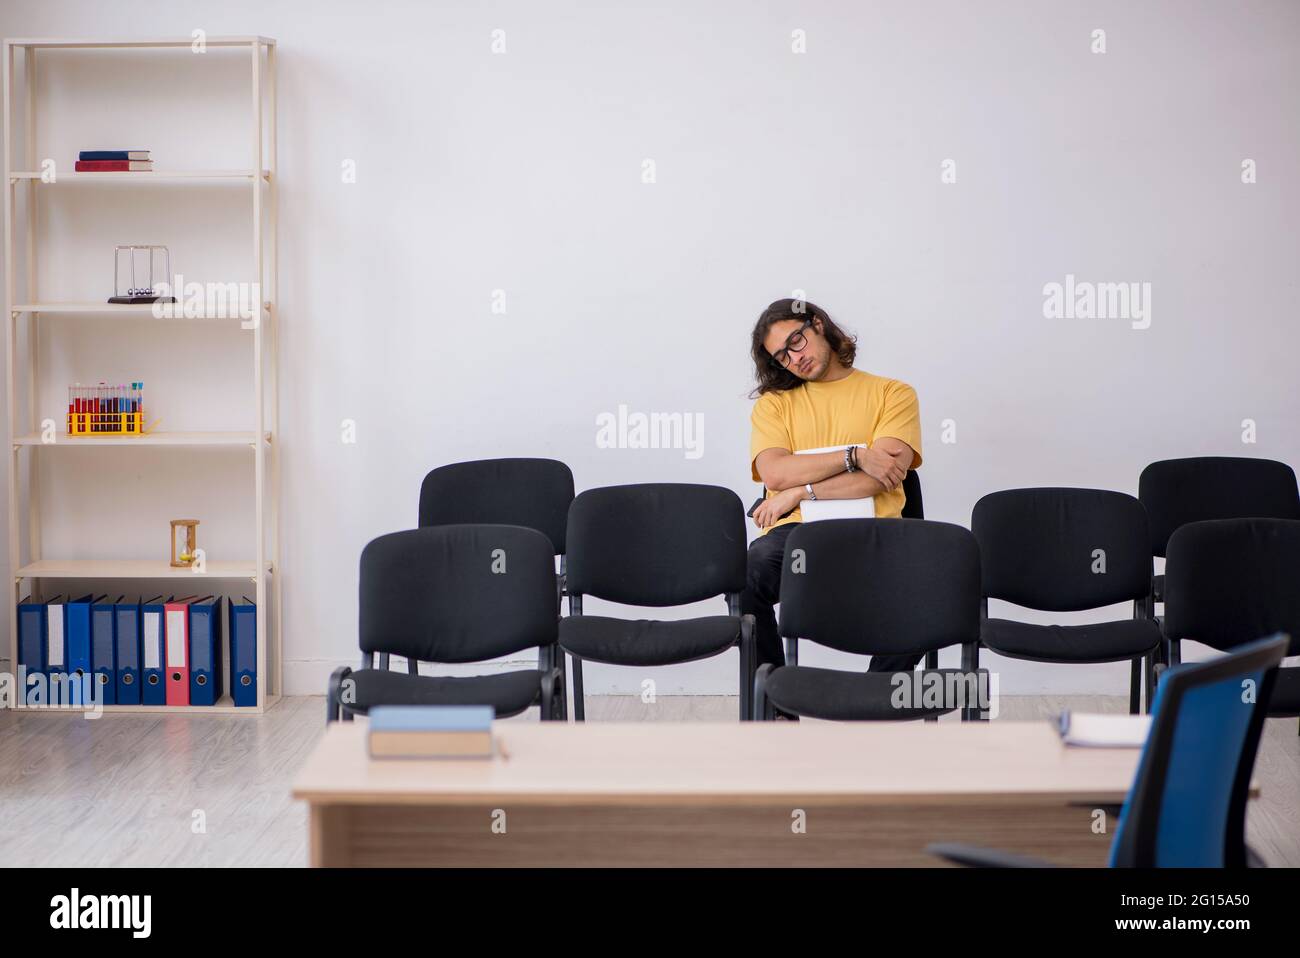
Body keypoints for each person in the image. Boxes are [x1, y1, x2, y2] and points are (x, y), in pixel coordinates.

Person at [743, 297, 923, 674]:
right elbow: (774, 473)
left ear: (818, 325)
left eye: (796, 342)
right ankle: (776, 701)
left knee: (938, 584)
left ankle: (873, 700)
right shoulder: (774, 405)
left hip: (876, 532)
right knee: (747, 572)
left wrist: (801, 490)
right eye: (781, 357)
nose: (794, 358)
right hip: (798, 534)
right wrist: (854, 455)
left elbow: (882, 476)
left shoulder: (893, 393)